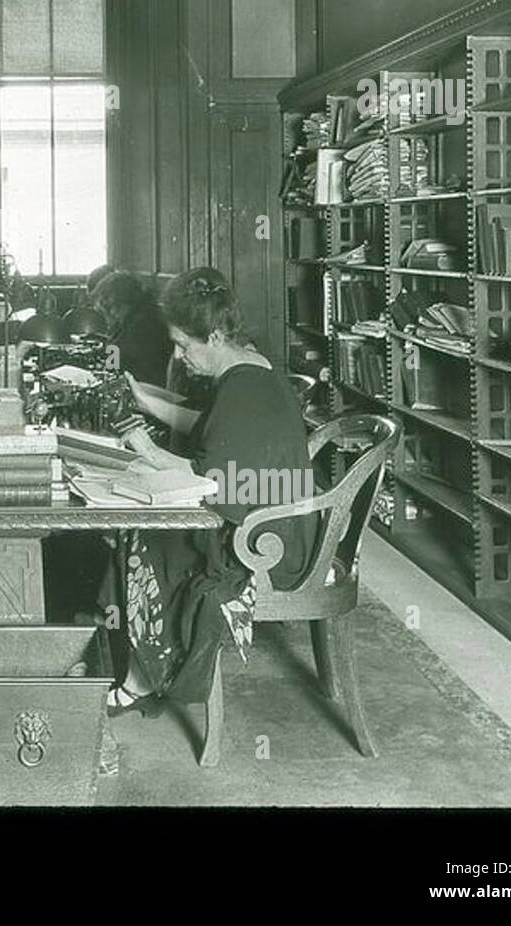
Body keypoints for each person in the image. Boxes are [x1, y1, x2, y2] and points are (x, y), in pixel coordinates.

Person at [102, 268, 317, 714]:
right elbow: (205, 426)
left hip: (268, 543)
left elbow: (213, 480)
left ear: (215, 335)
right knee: (147, 524)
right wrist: (145, 400)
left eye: (184, 345)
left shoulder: (244, 389)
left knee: (150, 533)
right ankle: (137, 662)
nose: (179, 356)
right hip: (275, 513)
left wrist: (149, 452)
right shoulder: (249, 367)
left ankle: (143, 677)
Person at [92, 270, 171, 388]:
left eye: (105, 310)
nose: (106, 317)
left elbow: (114, 365)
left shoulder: (141, 326)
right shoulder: (147, 313)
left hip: (147, 392)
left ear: (115, 305)